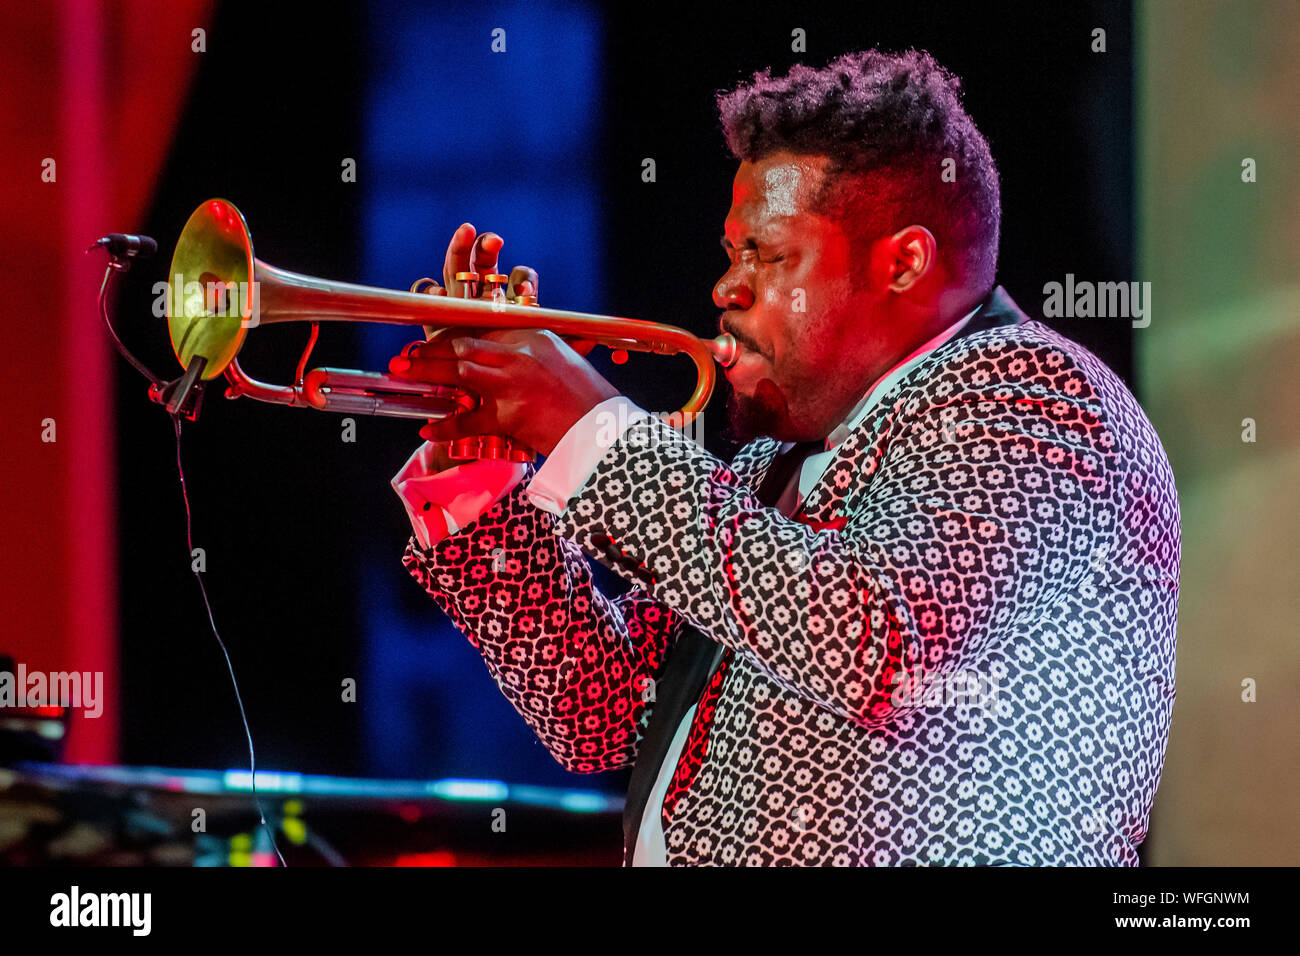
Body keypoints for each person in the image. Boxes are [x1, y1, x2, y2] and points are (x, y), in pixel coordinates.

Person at [386, 49, 1180, 866]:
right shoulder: (776, 460)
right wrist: (485, 484)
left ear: (903, 262)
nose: (726, 289)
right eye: (731, 254)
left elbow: (880, 644)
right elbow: (602, 712)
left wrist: (595, 430)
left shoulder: (1037, 398)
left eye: (766, 256)